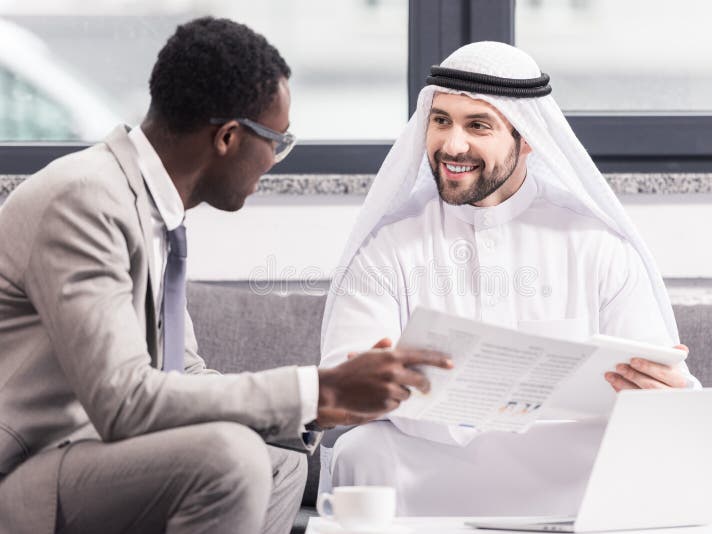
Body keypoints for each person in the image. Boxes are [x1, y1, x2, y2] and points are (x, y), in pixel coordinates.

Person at [0, 17, 451, 534]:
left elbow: (181, 379)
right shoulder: (83, 201)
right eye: (277, 142)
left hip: (90, 458)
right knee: (231, 456)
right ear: (229, 137)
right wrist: (318, 388)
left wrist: (324, 409)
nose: (274, 162)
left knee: (280, 462)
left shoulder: (153, 211)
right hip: (26, 471)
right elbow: (124, 401)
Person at [319, 41, 700, 516]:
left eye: (477, 125)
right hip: (431, 458)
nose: (452, 145)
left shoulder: (597, 244)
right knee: (363, 450)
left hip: (564, 460)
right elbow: (342, 376)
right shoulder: (388, 246)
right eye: (441, 121)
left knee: (641, 450)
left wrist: (665, 390)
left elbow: (662, 379)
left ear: (528, 137)